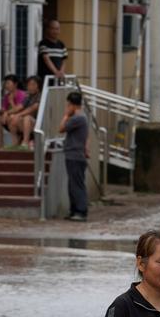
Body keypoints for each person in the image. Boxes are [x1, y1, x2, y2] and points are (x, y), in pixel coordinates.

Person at [61, 91, 90, 221]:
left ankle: (81, 210)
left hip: (75, 155)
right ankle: (74, 210)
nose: (67, 108)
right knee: (72, 184)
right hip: (74, 154)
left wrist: (66, 115)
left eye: (68, 105)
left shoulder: (78, 118)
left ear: (73, 105)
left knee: (77, 184)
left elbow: (61, 128)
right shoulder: (82, 118)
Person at [9, 77, 42, 148]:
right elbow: (20, 107)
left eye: (33, 85)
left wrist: (18, 115)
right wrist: (7, 113)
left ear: (38, 86)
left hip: (39, 124)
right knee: (11, 117)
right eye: (29, 85)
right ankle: (15, 143)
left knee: (27, 118)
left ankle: (25, 142)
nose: (30, 87)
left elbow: (33, 108)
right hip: (27, 122)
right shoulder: (28, 96)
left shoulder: (41, 95)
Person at [0, 75, 26, 148]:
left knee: (12, 117)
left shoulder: (21, 94)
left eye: (8, 83)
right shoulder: (7, 96)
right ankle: (1, 142)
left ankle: (15, 143)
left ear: (15, 84)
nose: (6, 86)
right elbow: (4, 109)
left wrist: (11, 101)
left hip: (21, 118)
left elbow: (19, 110)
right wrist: (2, 111)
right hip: (10, 117)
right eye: (5, 84)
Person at [37, 20, 68, 84]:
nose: (55, 31)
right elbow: (46, 59)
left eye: (57, 29)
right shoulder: (43, 43)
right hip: (46, 79)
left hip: (58, 79)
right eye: (53, 29)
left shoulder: (61, 44)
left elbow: (64, 60)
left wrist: (61, 72)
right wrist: (56, 72)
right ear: (48, 29)